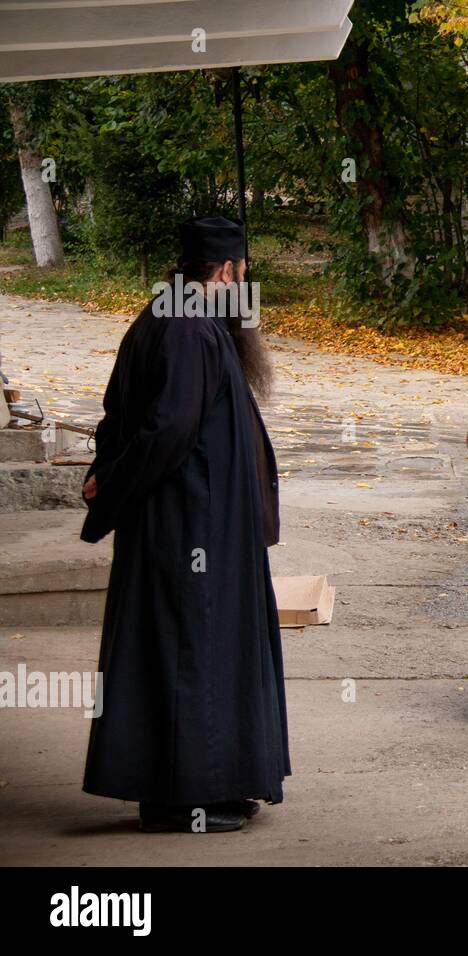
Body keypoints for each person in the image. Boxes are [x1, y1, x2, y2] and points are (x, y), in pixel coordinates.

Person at [80, 216, 289, 832]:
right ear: (224, 272)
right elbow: (165, 428)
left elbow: (122, 412)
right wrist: (114, 481)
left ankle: (218, 784)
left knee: (202, 645)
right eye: (243, 273)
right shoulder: (187, 328)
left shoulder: (171, 316)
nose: (244, 284)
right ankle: (186, 797)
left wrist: (107, 468)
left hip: (204, 521)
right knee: (189, 648)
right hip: (189, 524)